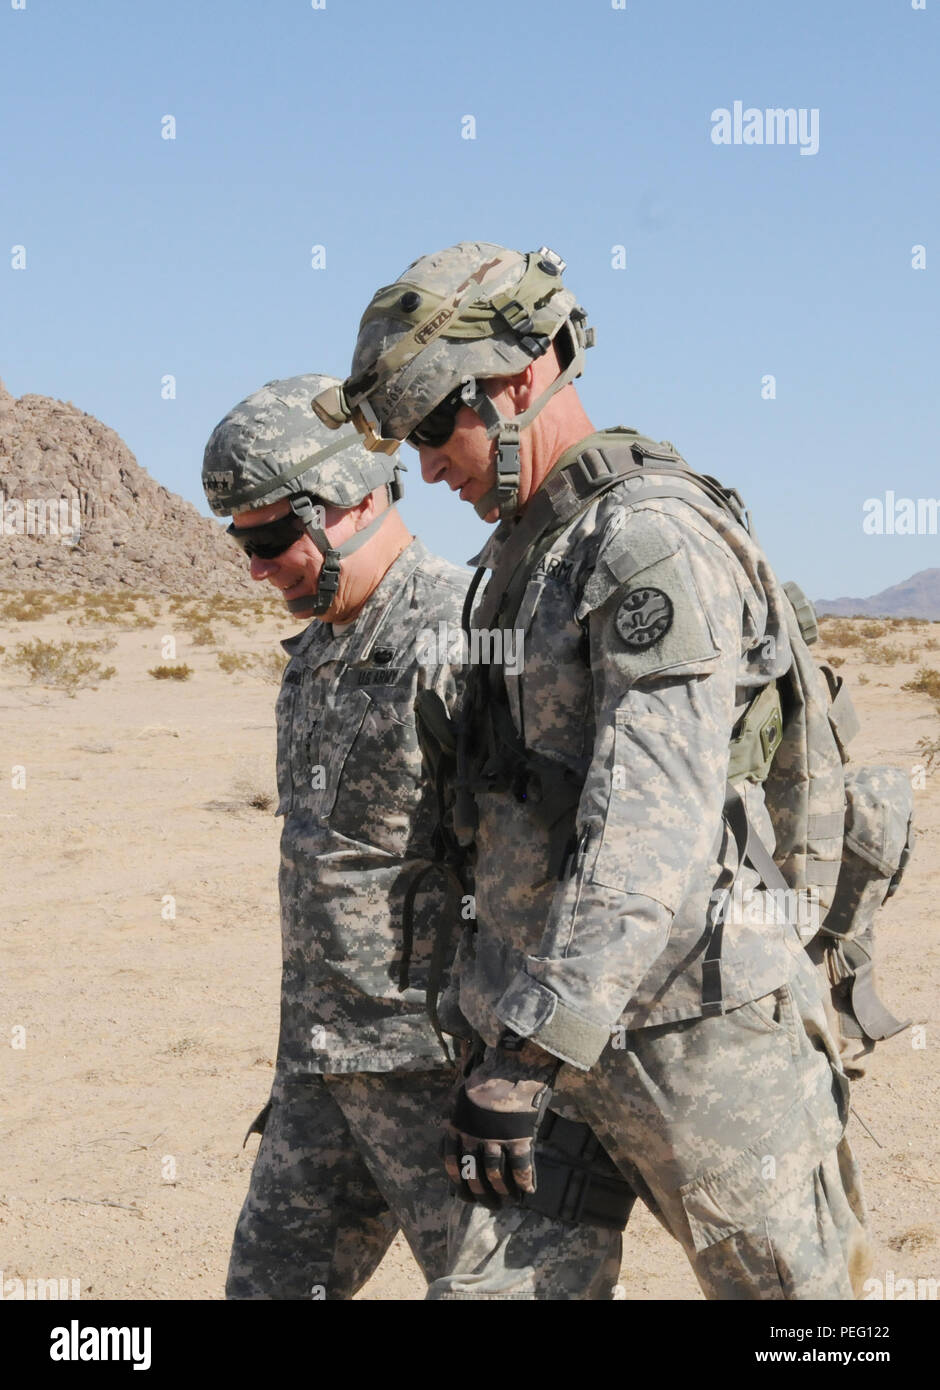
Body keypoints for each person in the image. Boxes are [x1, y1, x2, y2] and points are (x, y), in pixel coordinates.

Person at [315, 244, 873, 1300]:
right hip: (537, 1038)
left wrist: (527, 1055)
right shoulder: (515, 561)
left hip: (689, 1028)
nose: (429, 467)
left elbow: (646, 827)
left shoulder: (646, 541)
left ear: (519, 378)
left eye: (438, 424)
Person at [202, 373, 470, 1299]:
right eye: (241, 544)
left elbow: (538, 868)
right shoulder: (315, 654)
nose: (257, 568)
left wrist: (518, 1077)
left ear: (356, 498)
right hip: (320, 1074)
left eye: (272, 539)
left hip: (446, 1086)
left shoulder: (466, 634)